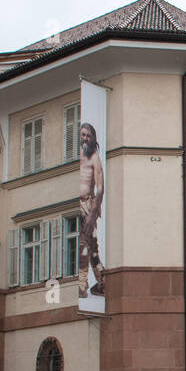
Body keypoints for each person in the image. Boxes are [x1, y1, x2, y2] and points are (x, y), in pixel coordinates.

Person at [77, 122, 106, 297]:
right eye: (82, 135)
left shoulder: (94, 157)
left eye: (88, 135)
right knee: (90, 247)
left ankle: (82, 284)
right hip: (77, 204)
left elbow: (100, 188)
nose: (85, 138)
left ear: (93, 137)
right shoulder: (77, 156)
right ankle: (102, 281)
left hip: (88, 206)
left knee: (85, 246)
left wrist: (93, 214)